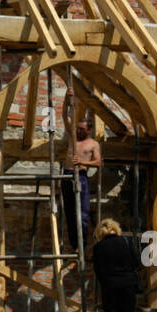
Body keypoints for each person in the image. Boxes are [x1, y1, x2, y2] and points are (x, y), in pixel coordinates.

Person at [92, 217, 141, 312]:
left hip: (110, 287)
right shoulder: (126, 242)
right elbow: (137, 263)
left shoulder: (98, 247)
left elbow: (98, 270)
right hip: (128, 287)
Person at [61, 89, 101, 250]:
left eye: (82, 129)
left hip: (82, 177)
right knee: (70, 212)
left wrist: (85, 164)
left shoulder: (93, 144)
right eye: (78, 128)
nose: (78, 131)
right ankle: (74, 245)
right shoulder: (73, 137)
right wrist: (66, 97)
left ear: (89, 130)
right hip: (67, 175)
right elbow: (64, 114)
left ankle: (83, 245)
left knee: (82, 213)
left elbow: (98, 162)